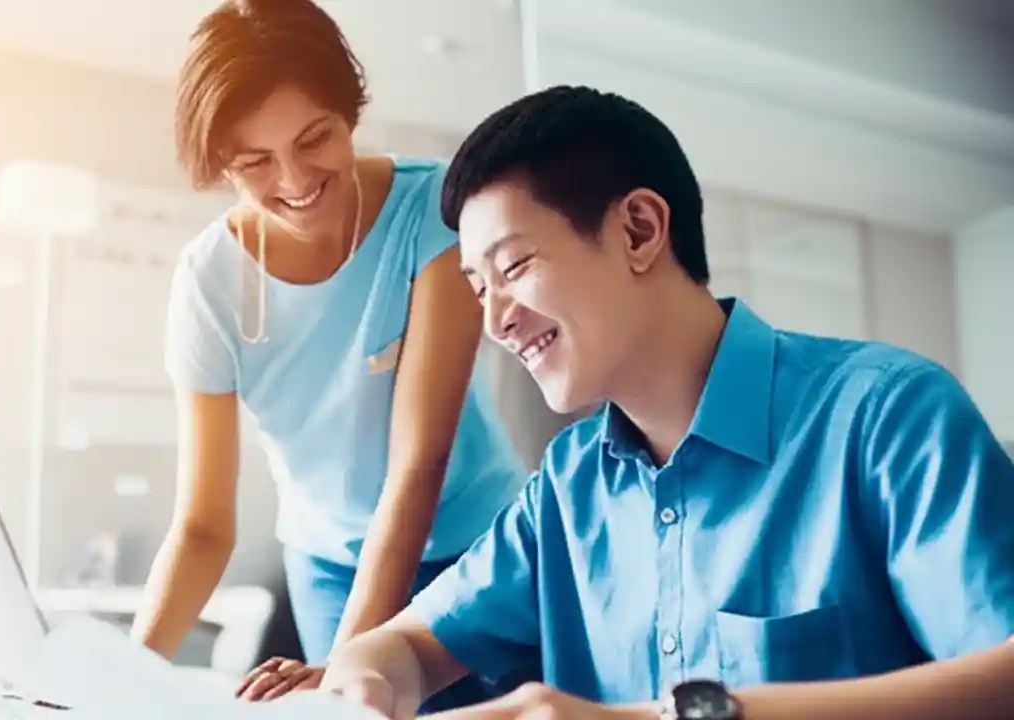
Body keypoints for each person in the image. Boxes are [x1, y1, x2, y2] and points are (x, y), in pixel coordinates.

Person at [320, 85, 1014, 719]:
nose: (496, 321)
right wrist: (365, 683)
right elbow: (402, 647)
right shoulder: (566, 485)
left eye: (515, 267)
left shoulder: (888, 416)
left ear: (639, 230)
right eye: (479, 288)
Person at [128, 0, 526, 711]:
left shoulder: (434, 208)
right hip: (330, 567)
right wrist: (113, 683)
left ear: (350, 113)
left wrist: (348, 660)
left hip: (476, 546)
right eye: (255, 161)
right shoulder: (210, 282)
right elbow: (203, 527)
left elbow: (419, 461)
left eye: (315, 138)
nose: (294, 180)